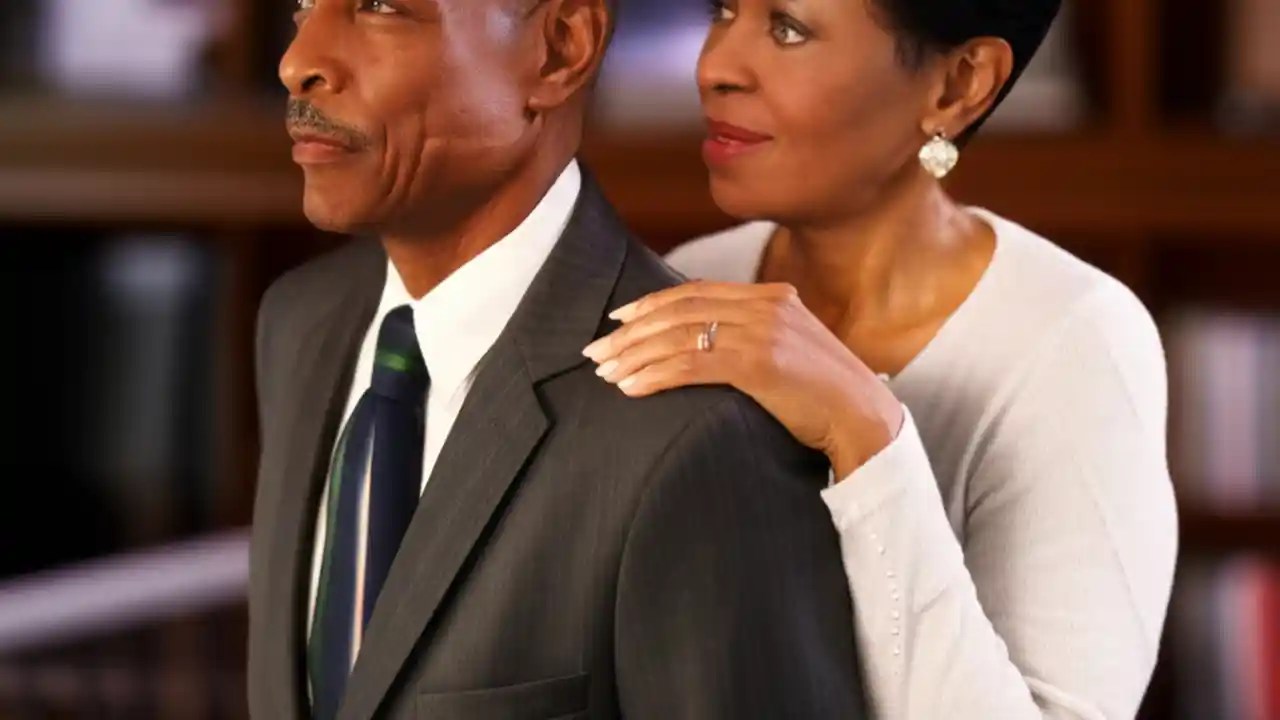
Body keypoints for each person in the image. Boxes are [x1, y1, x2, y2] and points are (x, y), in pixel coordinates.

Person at [248, 0, 868, 718]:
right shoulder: (298, 324)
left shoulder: (698, 430)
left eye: (380, 7)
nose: (299, 60)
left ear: (559, 50)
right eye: (302, 4)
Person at [582, 0, 1179, 717]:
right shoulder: (691, 283)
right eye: (723, 11)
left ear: (959, 85)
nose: (715, 68)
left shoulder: (1074, 341)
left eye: (787, 29)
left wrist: (865, 432)